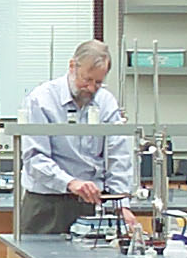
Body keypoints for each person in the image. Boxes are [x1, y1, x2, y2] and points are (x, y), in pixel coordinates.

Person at [16, 40, 135, 241]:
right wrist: (70, 182)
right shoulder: (42, 100)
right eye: (86, 79)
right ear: (72, 66)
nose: (90, 88)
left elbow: (119, 157)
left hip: (91, 205)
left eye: (98, 82)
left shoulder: (106, 102)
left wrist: (121, 205)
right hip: (47, 206)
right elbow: (34, 158)